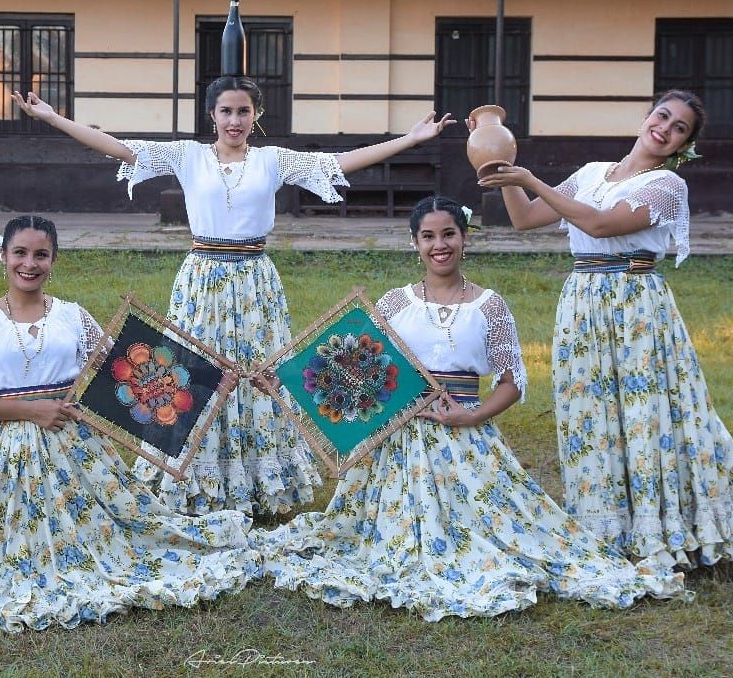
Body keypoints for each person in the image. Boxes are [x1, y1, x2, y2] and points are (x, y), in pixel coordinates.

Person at [12, 79, 455, 516]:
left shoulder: (272, 161)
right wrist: (53, 118)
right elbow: (120, 147)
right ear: (212, 115)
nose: (235, 120)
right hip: (201, 279)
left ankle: (259, 481)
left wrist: (410, 139)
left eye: (244, 111)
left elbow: (337, 163)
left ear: (256, 115)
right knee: (193, 371)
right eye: (226, 111)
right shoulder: (187, 155)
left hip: (255, 283)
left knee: (257, 374)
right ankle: (191, 476)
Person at [251, 196, 685, 619]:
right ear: (414, 244)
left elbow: (512, 383)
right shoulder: (394, 303)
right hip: (398, 435)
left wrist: (472, 415)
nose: (439, 245)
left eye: (448, 234)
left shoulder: (489, 305)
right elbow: (350, 370)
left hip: (465, 431)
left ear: (464, 238)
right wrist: (283, 383)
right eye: (427, 236)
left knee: (499, 526)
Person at [0, 217, 261, 631]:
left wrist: (203, 379)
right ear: (2, 255)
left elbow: (131, 366)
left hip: (73, 444)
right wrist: (30, 410)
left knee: (117, 530)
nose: (29, 264)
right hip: (8, 451)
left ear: (54, 260)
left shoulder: (73, 316)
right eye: (19, 252)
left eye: (41, 254)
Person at [477, 90, 733, 577]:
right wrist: (504, 170)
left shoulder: (666, 185)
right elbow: (526, 218)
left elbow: (598, 224)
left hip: (637, 310)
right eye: (663, 116)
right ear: (647, 117)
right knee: (594, 422)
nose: (666, 128)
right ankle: (613, 533)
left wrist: (529, 176)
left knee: (675, 420)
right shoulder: (591, 173)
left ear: (684, 146)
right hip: (583, 305)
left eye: (679, 128)